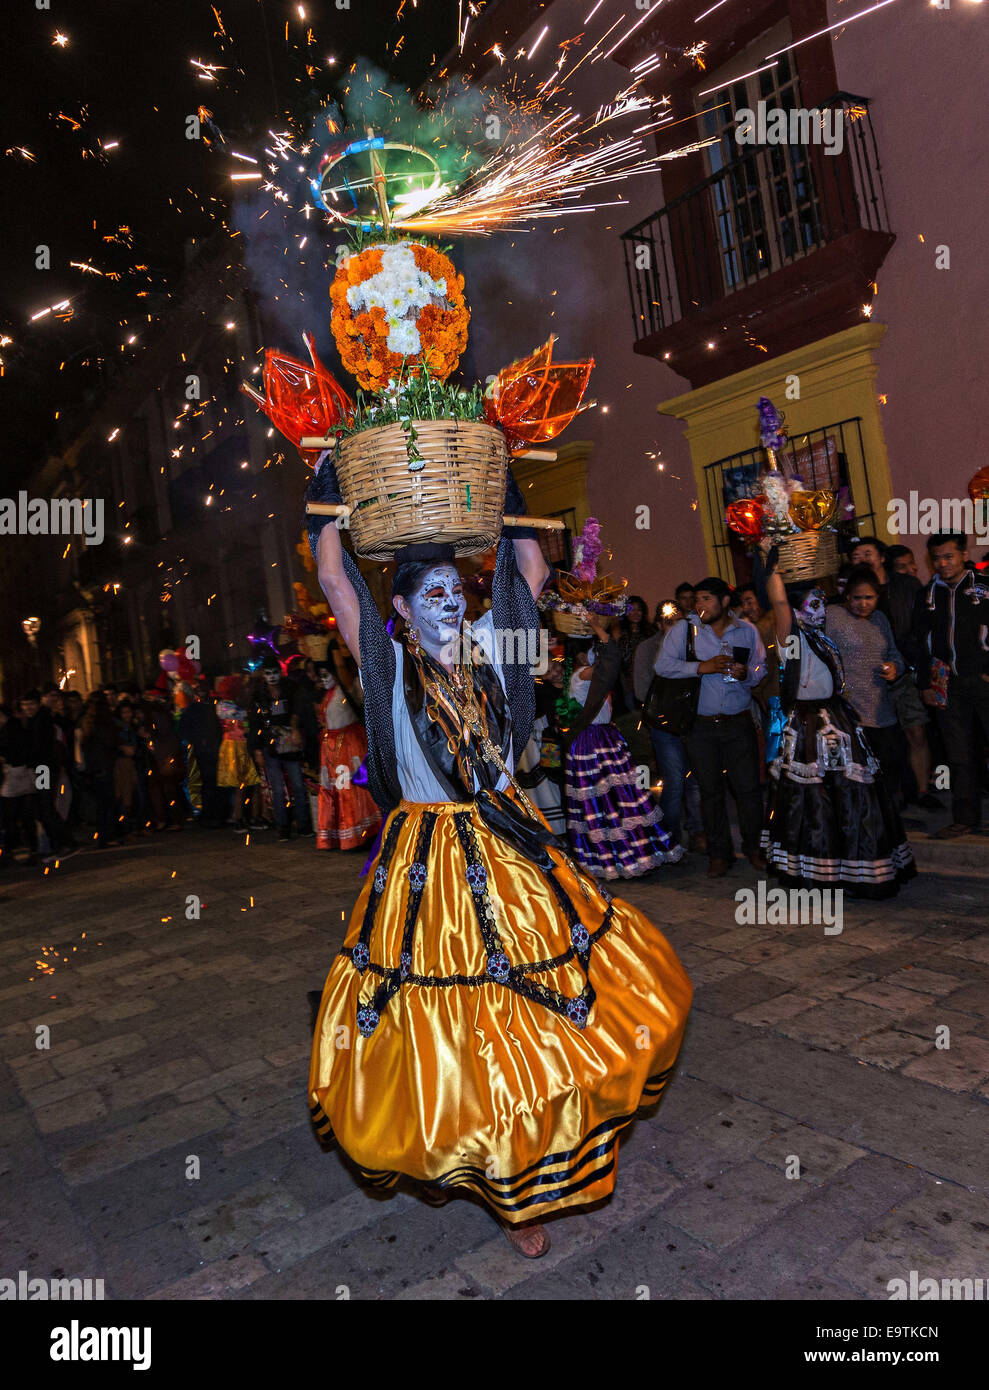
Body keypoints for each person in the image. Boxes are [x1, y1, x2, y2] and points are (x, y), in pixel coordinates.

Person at [305, 454, 691, 1260]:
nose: (450, 601)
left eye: (456, 588)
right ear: (403, 612)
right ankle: (498, 1172)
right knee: (457, 1020)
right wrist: (330, 490)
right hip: (428, 861)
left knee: (540, 1009)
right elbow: (338, 583)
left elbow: (528, 565)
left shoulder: (491, 643)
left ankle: (537, 1170)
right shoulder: (386, 663)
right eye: (431, 594)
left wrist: (505, 472)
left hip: (510, 846)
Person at [761, 561, 915, 895]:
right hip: (809, 726)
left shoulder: (823, 638)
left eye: (822, 601)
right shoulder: (792, 637)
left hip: (839, 719)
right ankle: (820, 872)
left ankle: (854, 868)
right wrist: (771, 563)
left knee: (852, 796)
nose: (822, 610)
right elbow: (779, 603)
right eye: (813, 604)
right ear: (799, 611)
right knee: (815, 800)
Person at [654, 577, 767, 877]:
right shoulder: (684, 630)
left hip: (739, 721)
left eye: (706, 599)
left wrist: (747, 674)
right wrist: (699, 667)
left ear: (724, 602)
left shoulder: (747, 631)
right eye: (697, 599)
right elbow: (662, 666)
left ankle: (756, 848)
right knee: (710, 790)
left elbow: (760, 669)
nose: (699, 605)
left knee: (748, 789)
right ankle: (720, 854)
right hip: (700, 726)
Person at [561, 612, 681, 879]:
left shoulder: (583, 674)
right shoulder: (582, 675)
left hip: (602, 738)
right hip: (593, 742)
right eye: (592, 649)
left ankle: (629, 854)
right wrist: (597, 627)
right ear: (582, 656)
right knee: (607, 801)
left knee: (620, 799)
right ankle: (618, 858)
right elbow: (611, 661)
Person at [912, 533, 989, 837]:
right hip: (946, 686)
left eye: (949, 557)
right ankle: (965, 818)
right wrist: (923, 683)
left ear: (964, 554)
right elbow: (918, 642)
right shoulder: (927, 594)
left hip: (983, 680)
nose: (942, 564)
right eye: (936, 558)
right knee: (959, 755)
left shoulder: (983, 587)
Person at [849, 535, 934, 805]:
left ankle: (922, 791)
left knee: (916, 732)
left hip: (906, 672)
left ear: (882, 557)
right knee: (884, 741)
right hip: (869, 681)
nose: (862, 558)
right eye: (856, 555)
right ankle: (890, 796)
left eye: (867, 552)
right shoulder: (849, 599)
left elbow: (923, 628)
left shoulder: (906, 586)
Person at [825, 567, 905, 792]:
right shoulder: (832, 615)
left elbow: (894, 654)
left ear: (878, 597)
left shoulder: (880, 619)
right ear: (847, 596)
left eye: (869, 597)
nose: (863, 603)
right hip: (844, 711)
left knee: (886, 767)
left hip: (880, 709)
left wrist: (894, 667)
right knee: (848, 772)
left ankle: (885, 818)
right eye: (857, 597)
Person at [634, 602, 704, 850]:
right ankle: (669, 838)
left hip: (692, 720)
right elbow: (641, 689)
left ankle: (697, 832)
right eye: (667, 621)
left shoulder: (693, 644)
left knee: (695, 778)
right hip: (664, 723)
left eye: (677, 621)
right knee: (674, 780)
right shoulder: (648, 648)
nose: (672, 626)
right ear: (659, 623)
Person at [314, 655, 381, 851]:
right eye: (321, 676)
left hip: (349, 747)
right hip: (332, 749)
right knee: (335, 790)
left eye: (327, 675)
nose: (324, 679)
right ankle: (342, 836)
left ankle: (360, 835)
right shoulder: (328, 696)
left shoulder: (346, 691)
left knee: (351, 790)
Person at [249, 661, 313, 840]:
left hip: (290, 744)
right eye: (268, 673)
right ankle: (282, 826)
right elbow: (254, 724)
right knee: (277, 788)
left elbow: (299, 711)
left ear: (280, 673)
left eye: (274, 672)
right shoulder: (259, 695)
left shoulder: (291, 690)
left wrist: (295, 729)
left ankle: (303, 824)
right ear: (263, 675)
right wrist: (257, 750)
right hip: (269, 746)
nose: (272, 676)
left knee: (298, 785)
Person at [614, 594, 656, 710]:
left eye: (639, 610)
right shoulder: (619, 633)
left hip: (648, 679)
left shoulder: (650, 632)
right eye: (632, 610)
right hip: (627, 682)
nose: (636, 613)